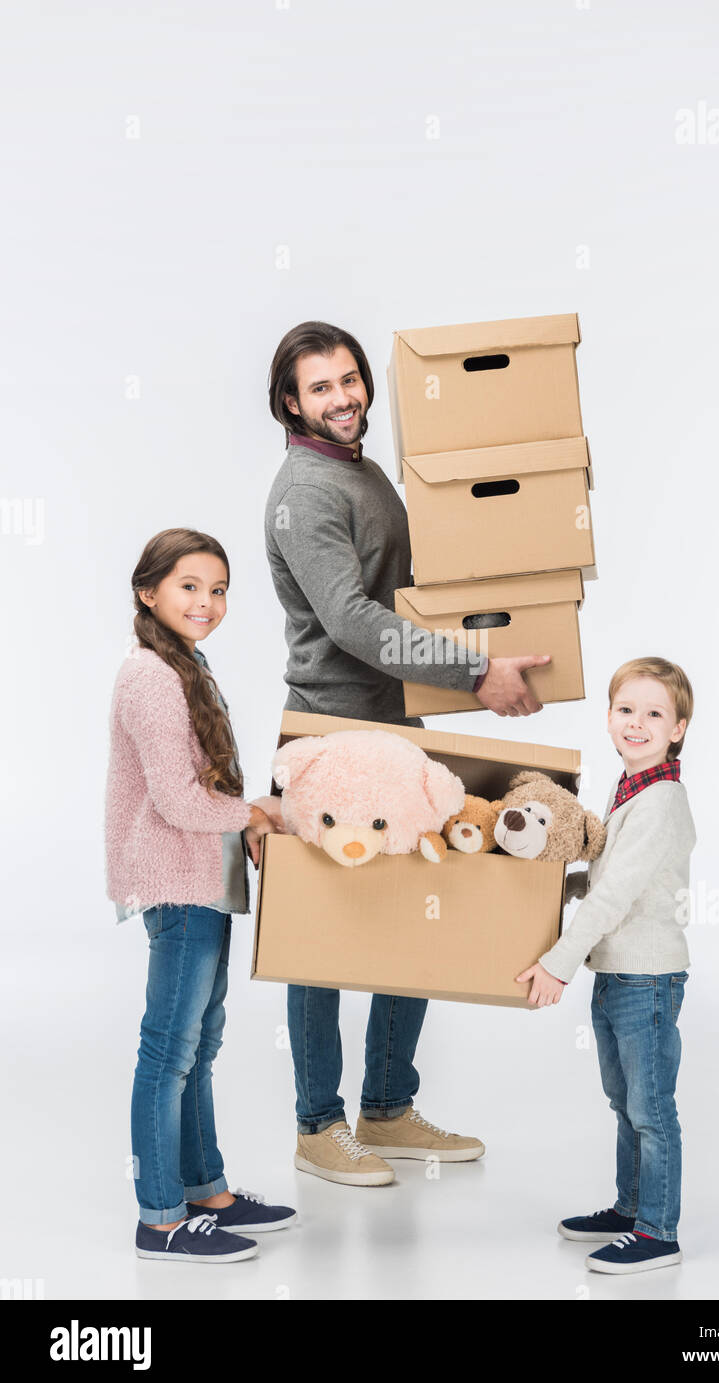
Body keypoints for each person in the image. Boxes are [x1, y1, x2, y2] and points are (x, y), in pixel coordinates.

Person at [264, 320, 552, 1185]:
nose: (342, 397)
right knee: (319, 935)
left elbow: (414, 585)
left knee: (413, 912)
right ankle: (318, 1127)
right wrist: (474, 672)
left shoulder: (362, 471)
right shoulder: (305, 491)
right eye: (320, 387)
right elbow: (352, 621)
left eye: (349, 379)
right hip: (331, 731)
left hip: (399, 722)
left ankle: (386, 1108)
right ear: (290, 404)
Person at [104, 527, 296, 1262]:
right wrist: (257, 812)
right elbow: (178, 801)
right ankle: (160, 1219)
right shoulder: (150, 676)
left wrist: (246, 824)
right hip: (178, 883)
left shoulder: (186, 665)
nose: (206, 602)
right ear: (147, 591)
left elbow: (200, 788)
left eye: (218, 590)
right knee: (168, 1051)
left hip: (206, 881)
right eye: (189, 586)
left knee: (199, 1045)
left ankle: (204, 1190)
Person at [516, 656, 696, 1274]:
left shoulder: (661, 801)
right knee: (623, 1102)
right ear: (609, 717)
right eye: (626, 710)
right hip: (616, 972)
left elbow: (616, 896)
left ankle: (658, 1233)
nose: (637, 723)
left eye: (654, 714)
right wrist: (555, 889)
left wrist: (557, 963)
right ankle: (630, 1208)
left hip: (646, 978)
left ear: (677, 729)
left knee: (651, 1109)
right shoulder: (632, 790)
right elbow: (608, 880)